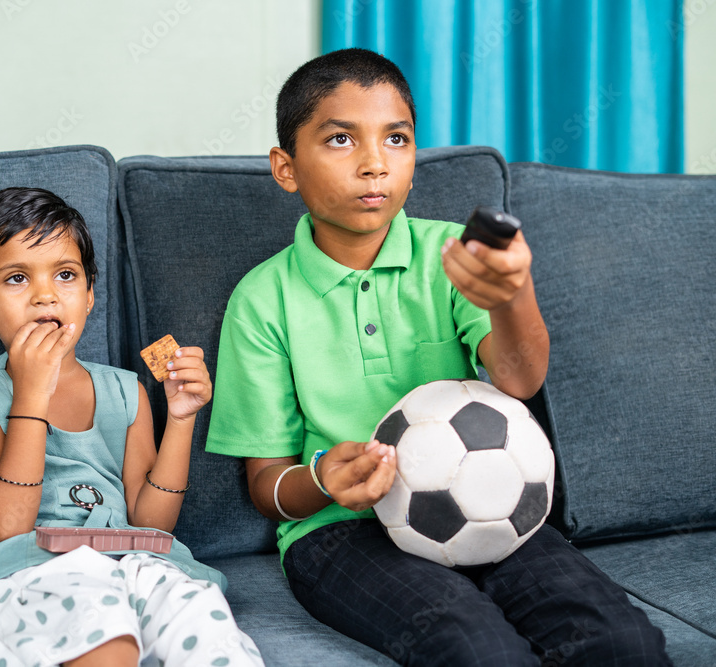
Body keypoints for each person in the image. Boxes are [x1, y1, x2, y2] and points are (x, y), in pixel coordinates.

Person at [205, 48, 670, 666]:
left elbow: (519, 377)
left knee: (625, 643)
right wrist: (324, 482)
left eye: (395, 139)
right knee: (475, 650)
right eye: (341, 139)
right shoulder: (262, 300)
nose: (374, 164)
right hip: (341, 534)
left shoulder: (450, 254)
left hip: (491, 504)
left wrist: (512, 296)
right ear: (285, 168)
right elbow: (269, 488)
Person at [0, 188, 264, 667]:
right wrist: (32, 393)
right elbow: (6, 525)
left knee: (199, 613)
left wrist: (181, 420)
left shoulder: (127, 392)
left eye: (65, 275)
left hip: (130, 559)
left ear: (88, 297)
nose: (45, 294)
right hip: (30, 566)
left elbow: (151, 524)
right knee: (97, 622)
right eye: (17, 278)